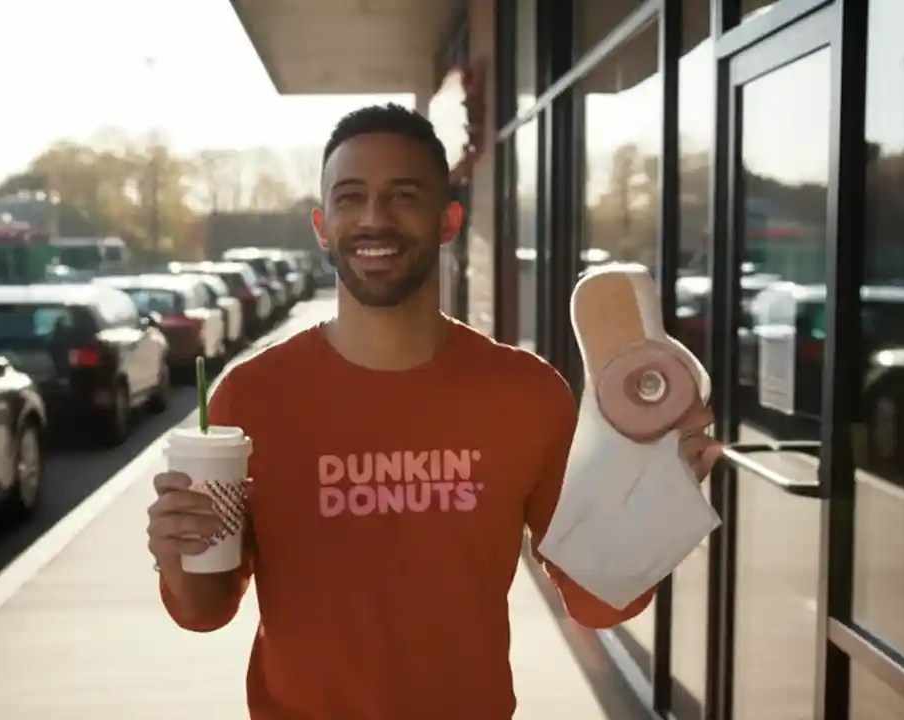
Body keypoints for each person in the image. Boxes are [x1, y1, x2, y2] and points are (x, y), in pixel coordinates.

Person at [146, 103, 723, 720]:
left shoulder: (526, 394)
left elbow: (597, 602)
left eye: (403, 196)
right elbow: (205, 610)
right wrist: (178, 552)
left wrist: (658, 504)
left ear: (449, 220)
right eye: (350, 197)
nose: (375, 218)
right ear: (322, 225)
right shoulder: (249, 398)